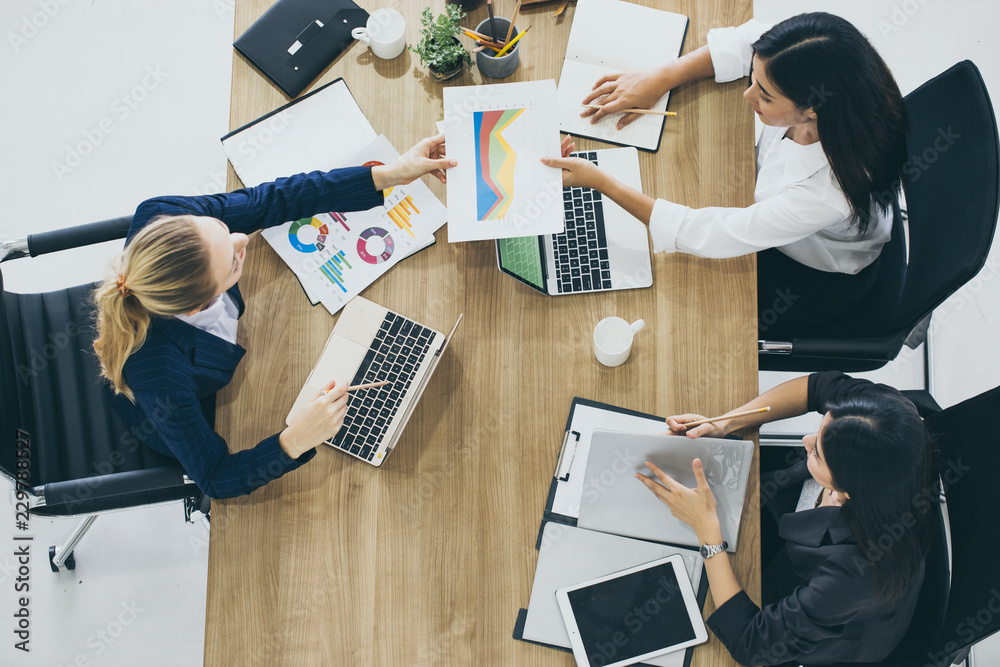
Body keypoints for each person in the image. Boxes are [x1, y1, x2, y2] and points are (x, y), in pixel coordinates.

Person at [92, 135, 455, 499]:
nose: (241, 240)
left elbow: (267, 202)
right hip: (172, 413)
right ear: (196, 307)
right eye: (232, 263)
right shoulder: (159, 375)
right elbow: (216, 478)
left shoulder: (162, 214)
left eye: (221, 229)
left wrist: (390, 174)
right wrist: (294, 439)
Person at [542, 13, 909, 336]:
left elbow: (713, 235)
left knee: (695, 316)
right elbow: (744, 42)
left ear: (811, 109)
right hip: (766, 201)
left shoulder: (826, 194)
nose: (748, 96)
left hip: (807, 270)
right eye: (752, 78)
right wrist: (663, 76)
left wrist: (599, 180)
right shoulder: (810, 55)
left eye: (764, 96)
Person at [635, 372, 935, 665]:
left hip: (827, 629)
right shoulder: (881, 419)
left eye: (817, 452)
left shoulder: (855, 572)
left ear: (849, 488)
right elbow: (815, 387)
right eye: (819, 430)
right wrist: (726, 423)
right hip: (791, 525)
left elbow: (753, 644)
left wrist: (707, 531)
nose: (805, 440)